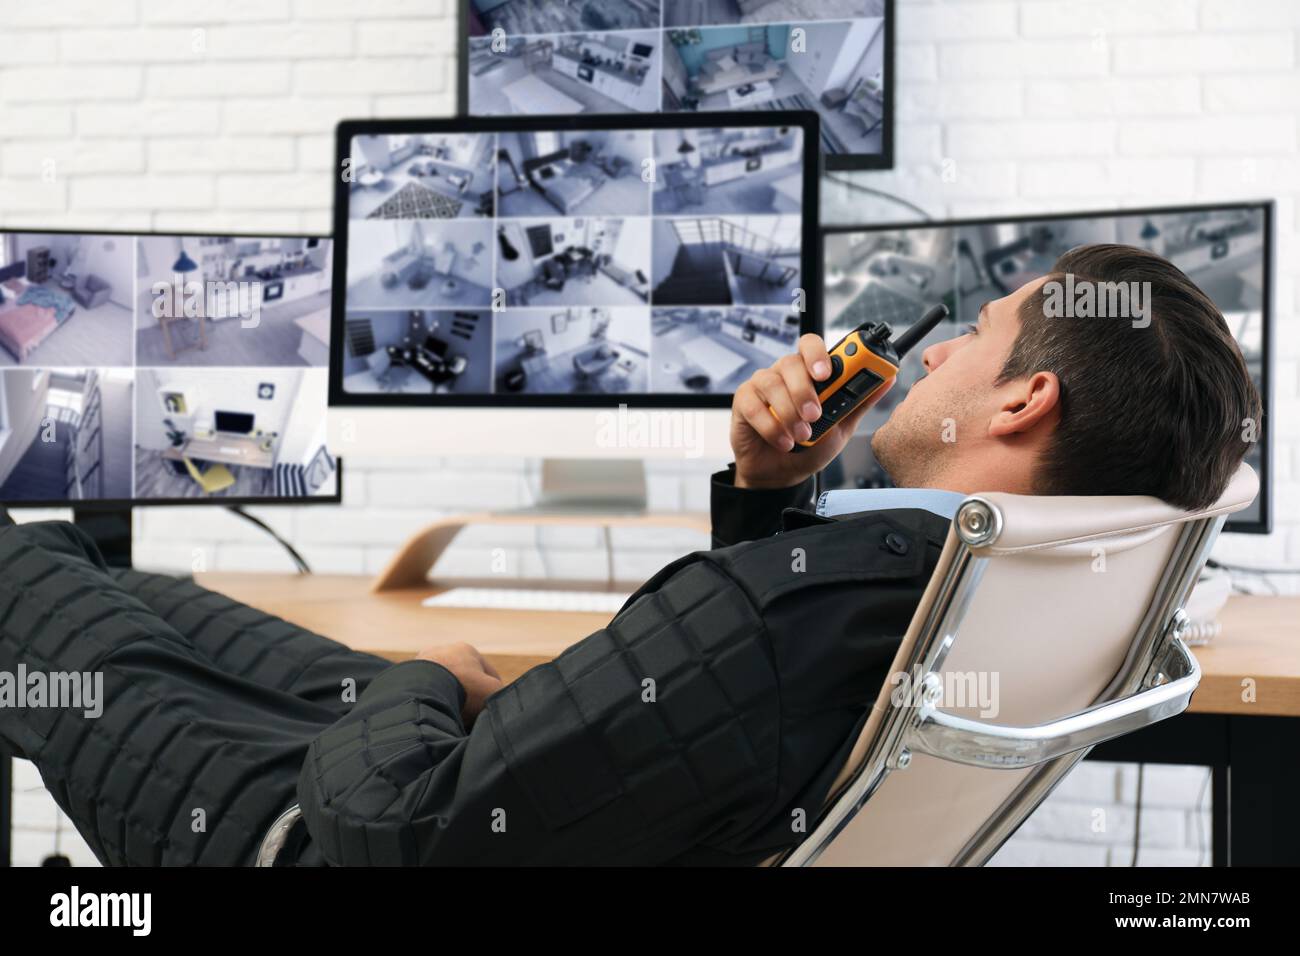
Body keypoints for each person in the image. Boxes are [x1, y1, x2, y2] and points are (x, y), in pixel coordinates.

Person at [0, 245, 1260, 866]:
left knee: (25, 585)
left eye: (972, 337)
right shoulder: (959, 592)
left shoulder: (808, 613)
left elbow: (398, 825)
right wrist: (773, 491)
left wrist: (431, 670)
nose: (932, 355)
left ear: (1021, 400)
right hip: (455, 780)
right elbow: (734, 714)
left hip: (324, 831)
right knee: (144, 590)